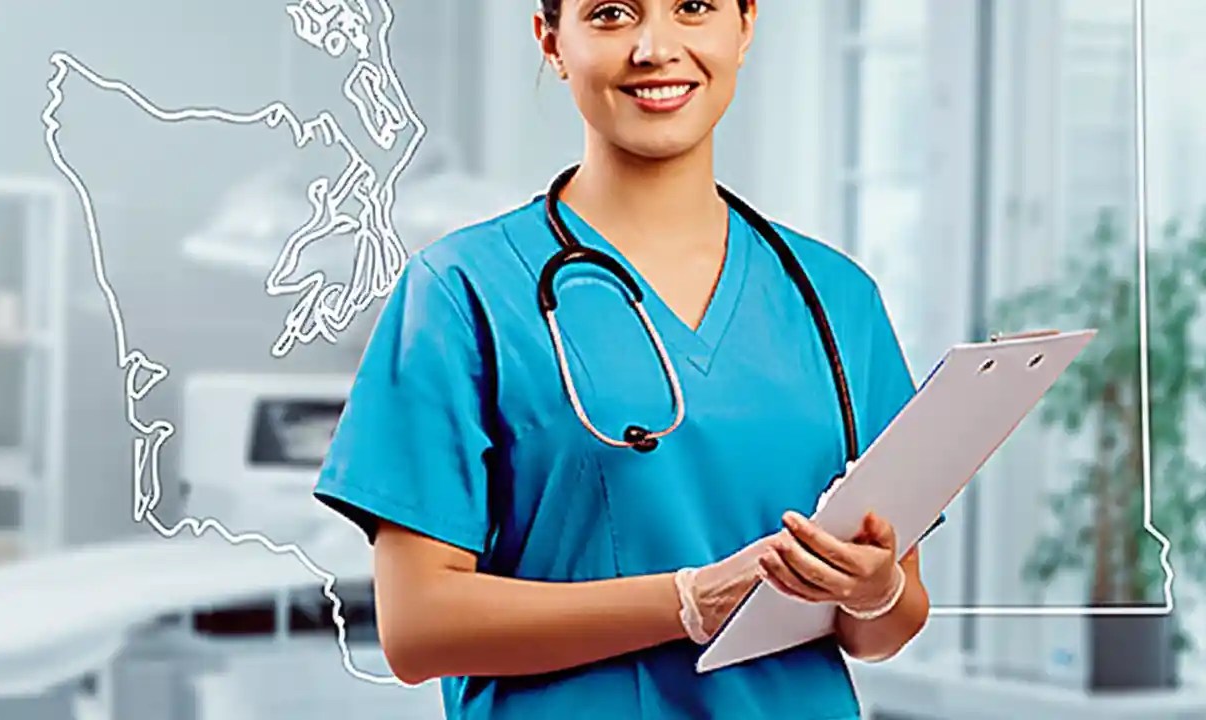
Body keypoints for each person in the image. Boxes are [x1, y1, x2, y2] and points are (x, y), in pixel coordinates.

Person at [312, 1, 938, 717]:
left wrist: (875, 590)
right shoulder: (462, 291)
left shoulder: (835, 299)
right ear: (551, 39)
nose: (655, 48)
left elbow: (886, 627)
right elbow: (419, 628)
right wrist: (685, 603)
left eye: (694, 7)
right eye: (610, 13)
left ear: (746, 25)